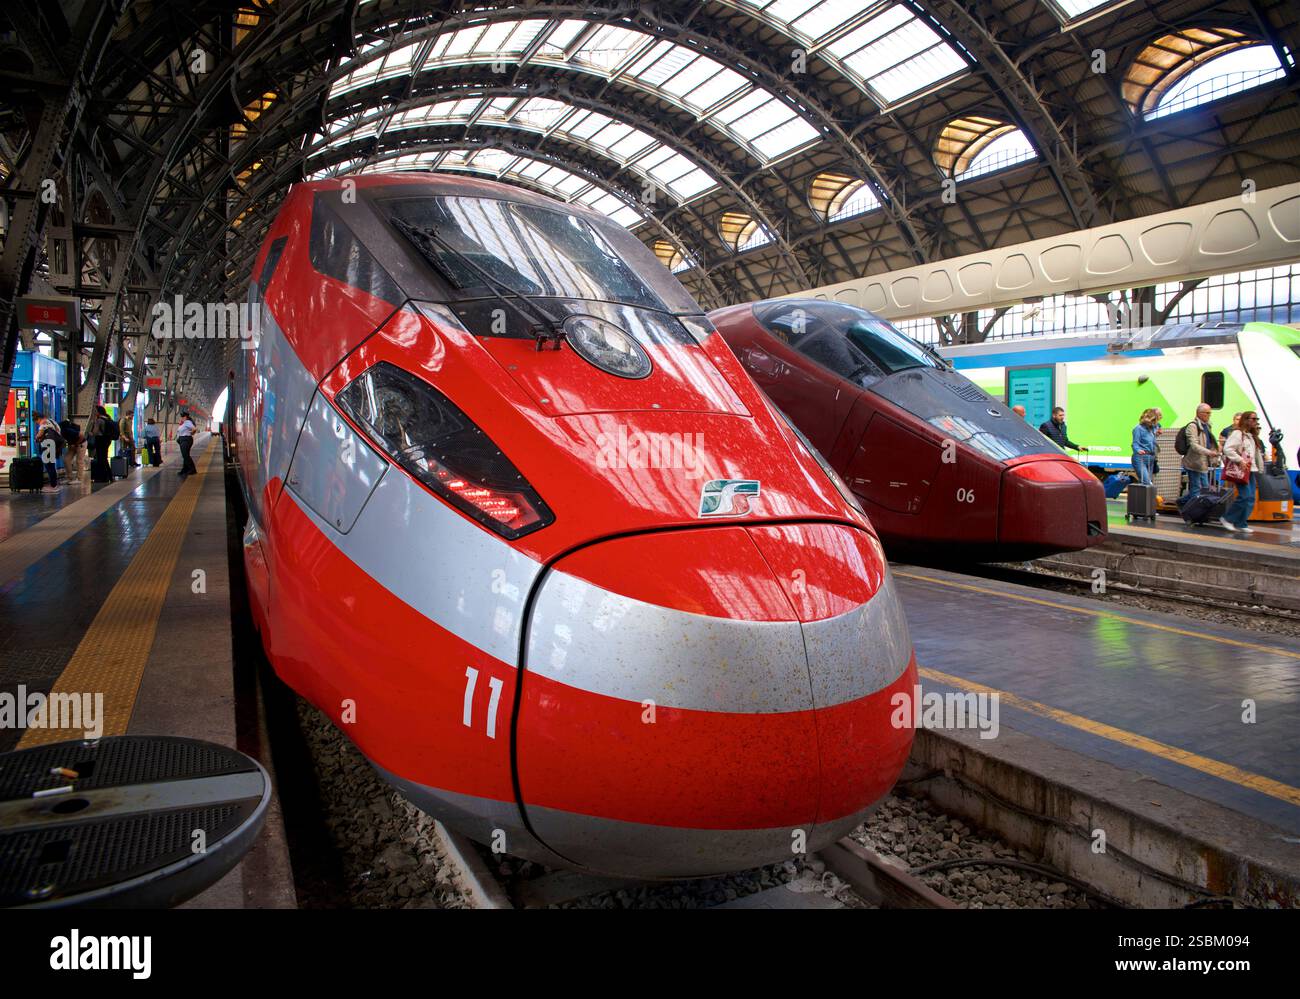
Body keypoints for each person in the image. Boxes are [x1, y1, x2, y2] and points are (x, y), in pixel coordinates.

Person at [1221, 411, 1265, 534]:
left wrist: (1259, 467)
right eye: (1253, 419)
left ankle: (1241, 522)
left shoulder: (1251, 435)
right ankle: (1227, 518)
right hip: (1241, 470)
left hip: (1250, 469)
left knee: (1250, 497)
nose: (1256, 421)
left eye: (1257, 419)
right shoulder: (1237, 433)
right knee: (1245, 496)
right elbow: (1228, 449)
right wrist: (1239, 460)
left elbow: (1255, 454)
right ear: (1246, 420)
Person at [1179, 404, 1218, 500]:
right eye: (1207, 413)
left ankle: (1181, 503)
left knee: (1204, 488)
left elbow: (1209, 441)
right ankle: (1192, 511)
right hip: (1193, 462)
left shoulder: (1207, 426)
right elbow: (1194, 445)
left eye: (1210, 413)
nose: (1209, 415)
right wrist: (1209, 452)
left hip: (1202, 462)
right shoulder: (1193, 426)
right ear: (1199, 413)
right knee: (1196, 488)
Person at [1131, 408, 1159, 485]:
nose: (1153, 423)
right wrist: (1138, 450)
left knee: (1146, 483)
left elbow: (1159, 422)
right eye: (1152, 420)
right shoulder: (1138, 429)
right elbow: (1135, 443)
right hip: (1141, 458)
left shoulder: (1153, 428)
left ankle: (1143, 497)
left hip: (1151, 457)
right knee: (1147, 482)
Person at [34, 414, 63, 488]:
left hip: (48, 446)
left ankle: (53, 486)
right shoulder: (52, 421)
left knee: (48, 465)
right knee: (52, 464)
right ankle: (54, 485)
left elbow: (40, 434)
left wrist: (36, 438)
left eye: (37, 421)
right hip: (55, 445)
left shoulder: (43, 422)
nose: (37, 423)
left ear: (39, 419)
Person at [87, 405, 113, 483]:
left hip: (100, 441)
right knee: (104, 458)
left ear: (98, 412)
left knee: (101, 459)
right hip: (107, 440)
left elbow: (95, 432)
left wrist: (89, 432)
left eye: (95, 411)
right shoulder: (108, 419)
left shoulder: (99, 420)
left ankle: (102, 477)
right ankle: (109, 476)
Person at [58, 414, 83, 481]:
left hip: (81, 443)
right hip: (73, 444)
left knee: (79, 461)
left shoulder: (68, 430)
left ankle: (79, 479)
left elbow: (81, 435)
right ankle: (70, 478)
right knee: (66, 460)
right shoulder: (62, 432)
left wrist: (76, 444)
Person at [176, 411, 197, 476]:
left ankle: (192, 469)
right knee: (185, 455)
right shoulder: (184, 423)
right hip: (183, 440)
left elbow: (194, 429)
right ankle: (185, 470)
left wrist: (191, 433)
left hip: (186, 440)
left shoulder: (188, 422)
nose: (181, 418)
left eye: (182, 416)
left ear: (185, 417)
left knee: (185, 455)